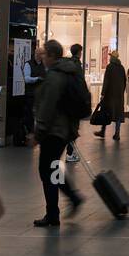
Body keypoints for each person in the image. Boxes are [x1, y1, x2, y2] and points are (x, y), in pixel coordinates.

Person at [33, 40, 87, 228]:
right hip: (64, 130)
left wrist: (38, 133)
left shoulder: (55, 76)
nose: (42, 57)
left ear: (52, 56)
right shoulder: (69, 71)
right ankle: (63, 205)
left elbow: (47, 108)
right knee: (53, 167)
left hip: (53, 131)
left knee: (45, 170)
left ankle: (55, 211)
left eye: (45, 54)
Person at [96, 49, 126, 142]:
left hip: (110, 95)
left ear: (112, 58)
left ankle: (103, 131)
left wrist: (102, 94)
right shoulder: (121, 67)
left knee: (105, 112)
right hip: (119, 96)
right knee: (118, 115)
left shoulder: (109, 67)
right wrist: (121, 91)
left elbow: (106, 81)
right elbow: (124, 82)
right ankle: (117, 133)